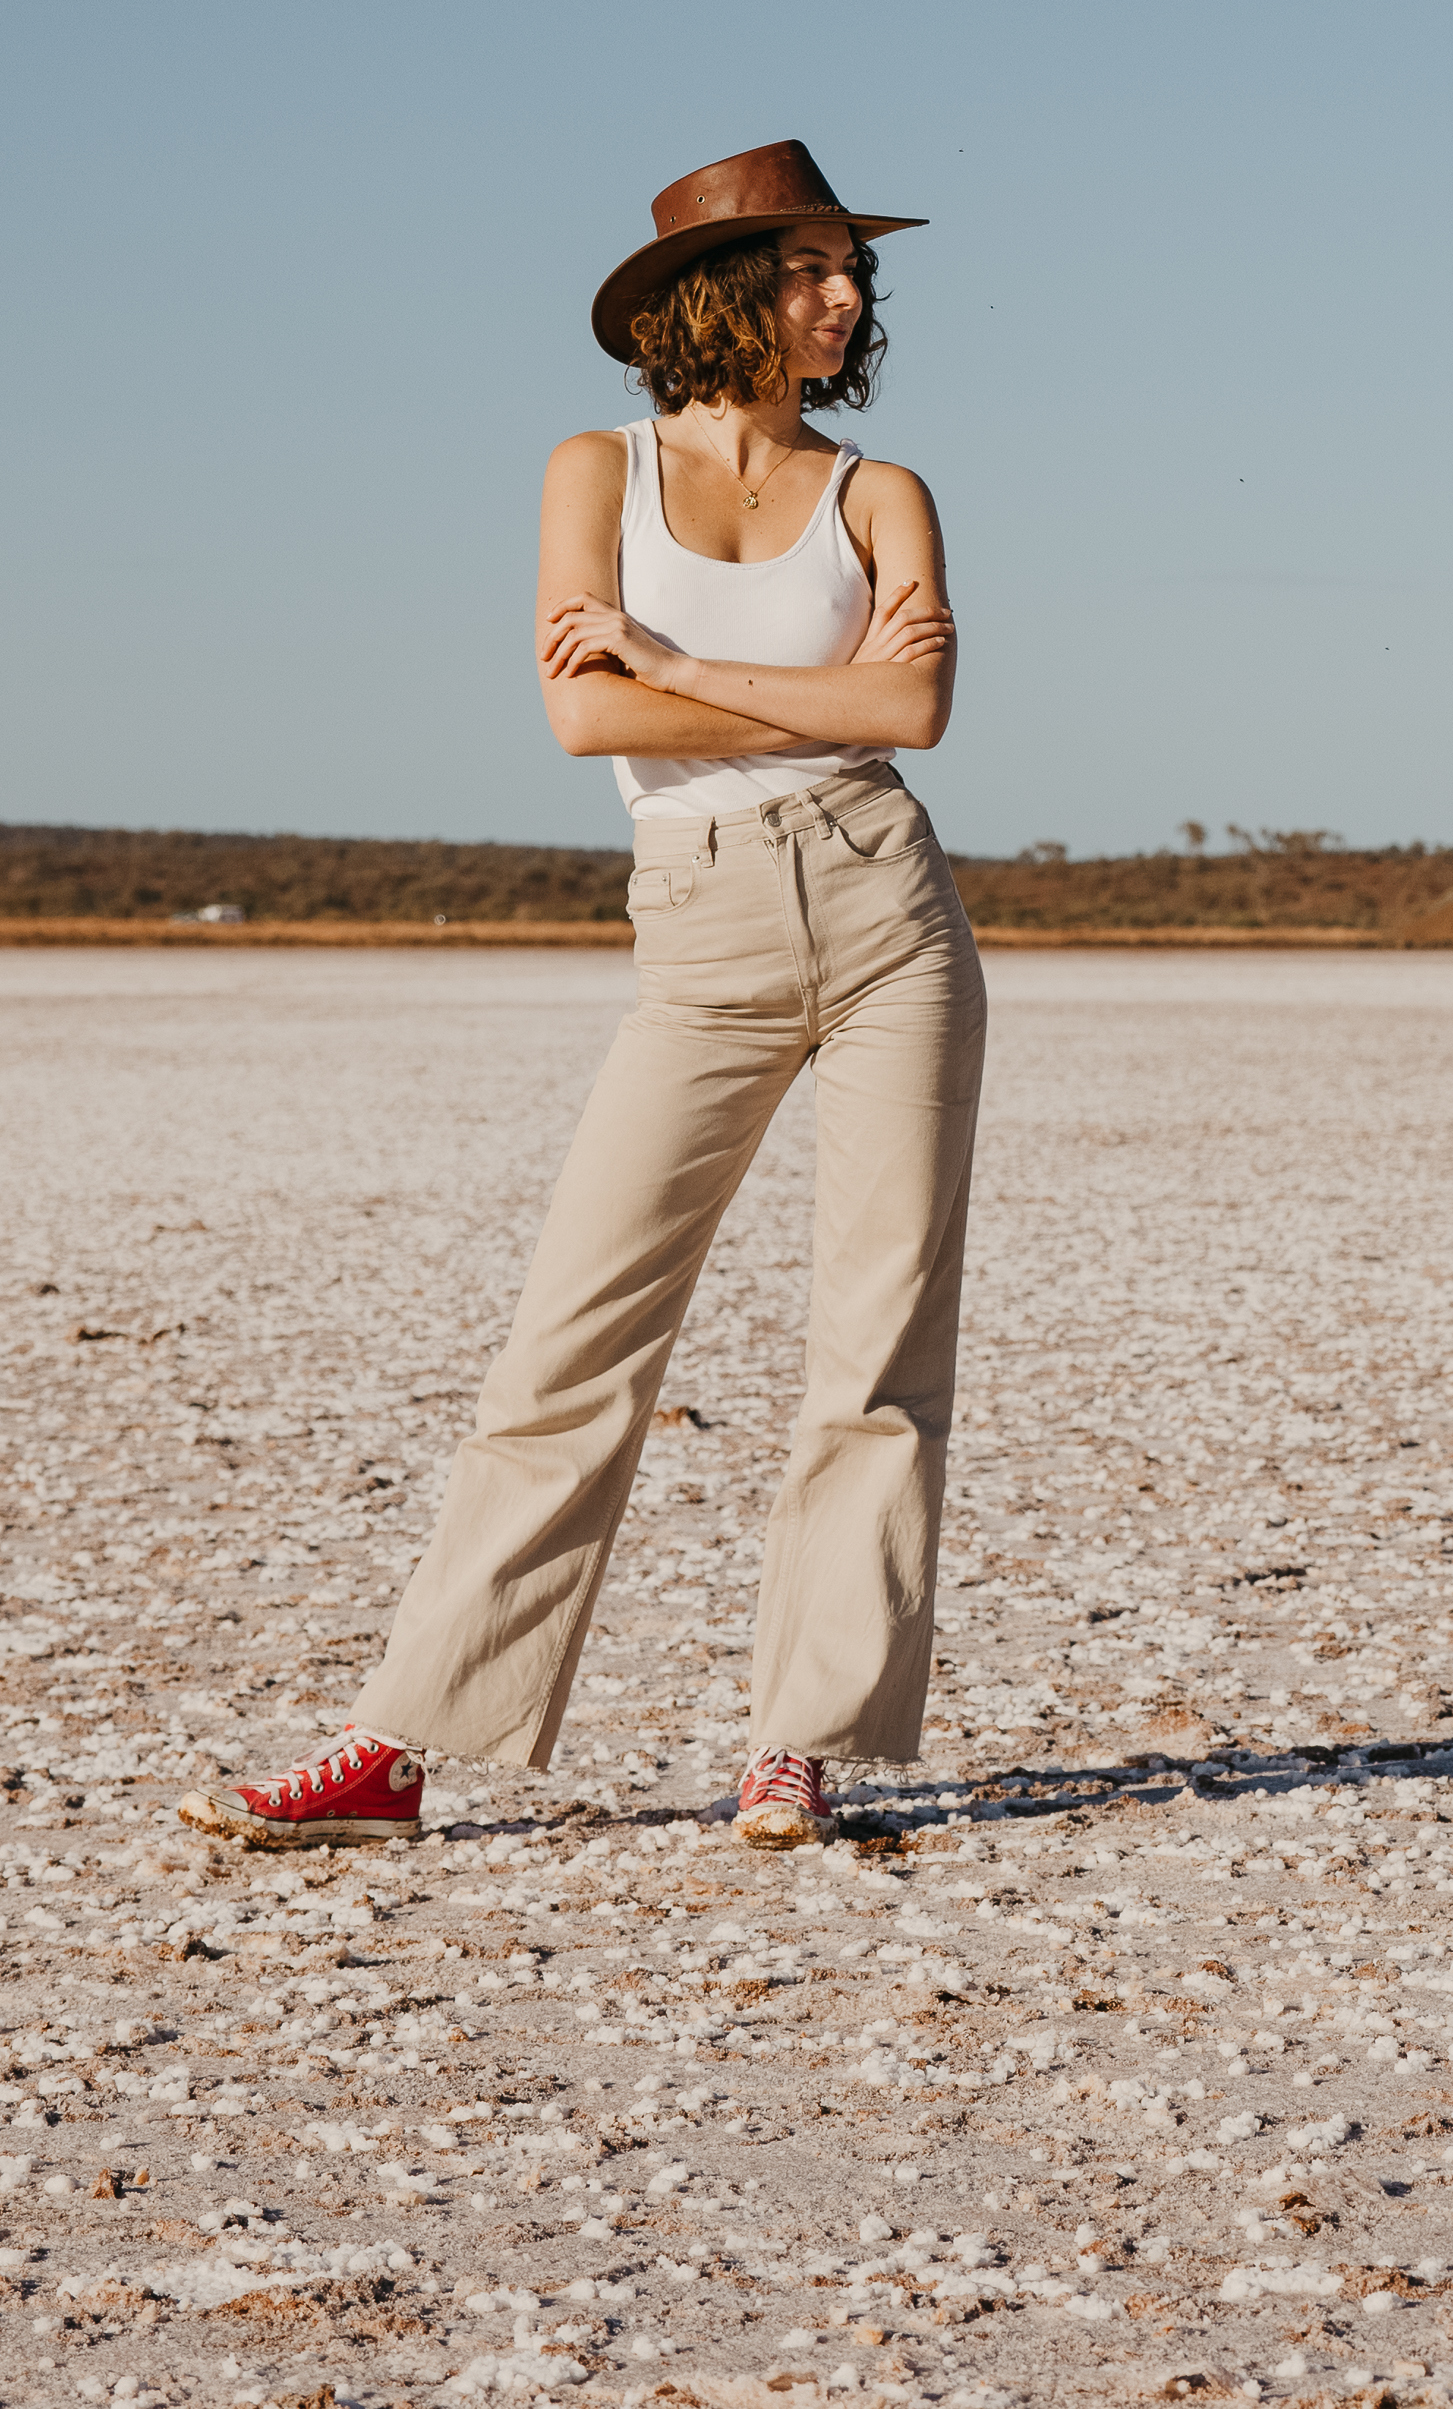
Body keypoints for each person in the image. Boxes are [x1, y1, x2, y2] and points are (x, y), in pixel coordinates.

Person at [189, 140, 986, 1855]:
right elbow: (583, 722)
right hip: (696, 923)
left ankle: (800, 1741)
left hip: (884, 903)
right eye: (812, 268)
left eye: (857, 271)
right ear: (722, 296)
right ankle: (400, 1742)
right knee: (572, 1338)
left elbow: (913, 713)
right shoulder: (592, 470)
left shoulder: (883, 492)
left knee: (876, 1351)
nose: (848, 298)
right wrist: (811, 689)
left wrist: (685, 664)